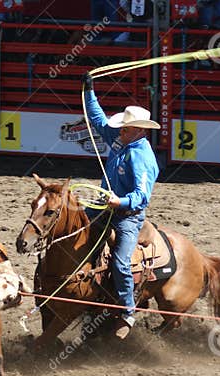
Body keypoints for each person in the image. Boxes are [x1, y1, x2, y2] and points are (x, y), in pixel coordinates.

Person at [83, 72, 161, 340]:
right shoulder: (121, 138)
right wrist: (89, 90)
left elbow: (142, 196)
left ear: (140, 130)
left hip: (128, 216)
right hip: (103, 206)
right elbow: (97, 120)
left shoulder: (142, 157)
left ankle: (128, 310)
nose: (120, 130)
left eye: (126, 128)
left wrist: (119, 201)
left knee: (120, 262)